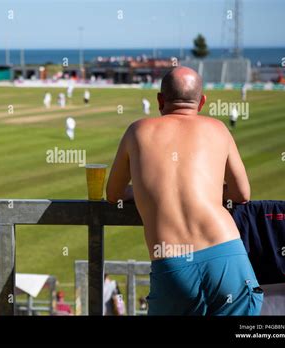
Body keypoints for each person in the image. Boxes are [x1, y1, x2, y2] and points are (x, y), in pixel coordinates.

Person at [106, 66, 263, 316]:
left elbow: (113, 194)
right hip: (226, 251)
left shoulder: (137, 130)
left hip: (172, 261)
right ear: (201, 102)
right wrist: (206, 191)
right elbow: (242, 194)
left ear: (160, 99)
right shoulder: (218, 128)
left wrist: (147, 194)